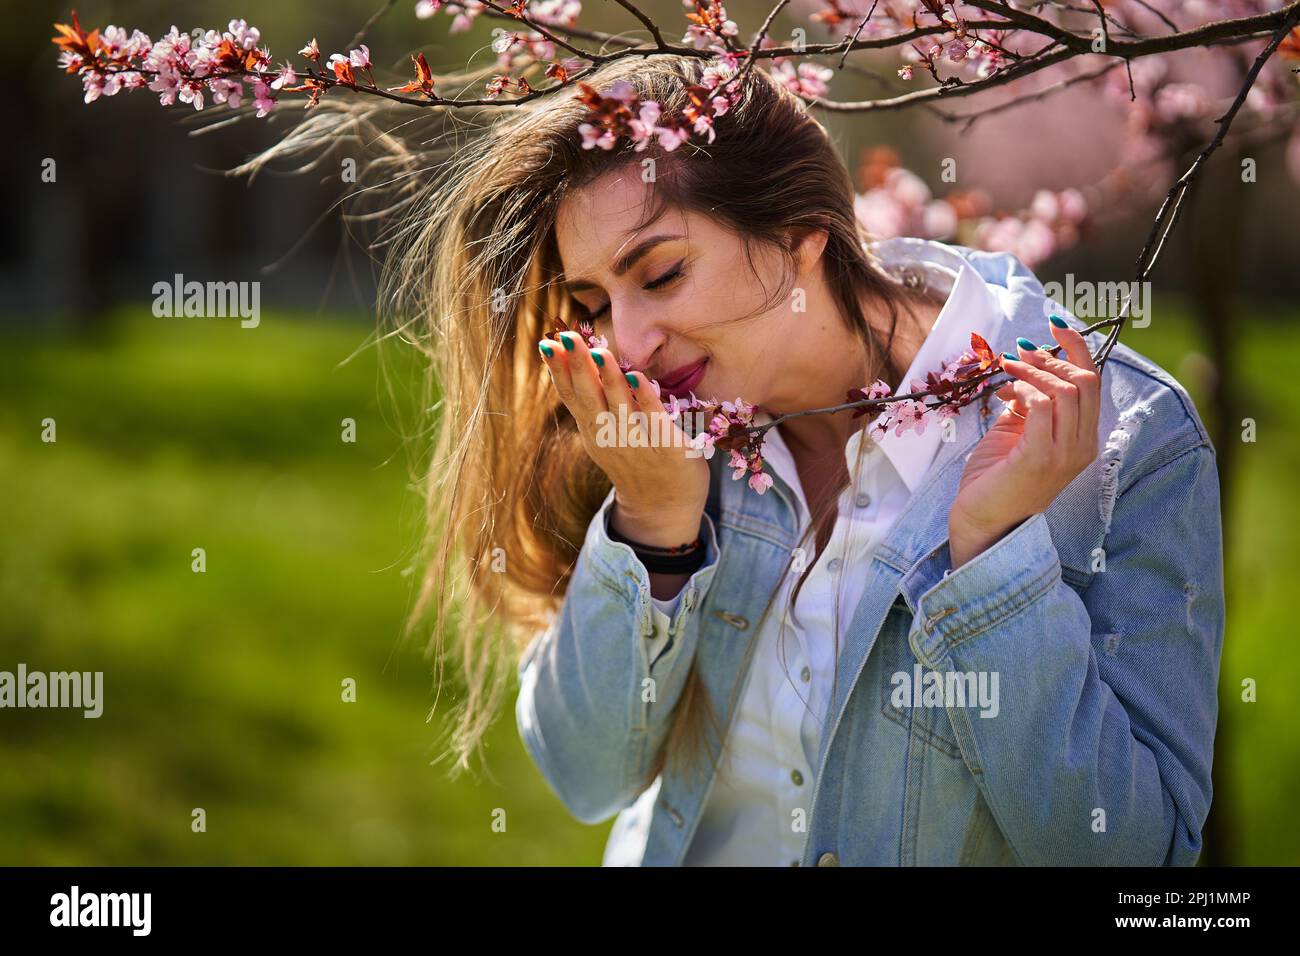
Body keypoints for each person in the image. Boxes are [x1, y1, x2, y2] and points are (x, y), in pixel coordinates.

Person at [303, 53, 1223, 865]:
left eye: (660, 274)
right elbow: (585, 777)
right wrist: (655, 529)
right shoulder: (658, 431)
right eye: (590, 302)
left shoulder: (1124, 442)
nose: (626, 341)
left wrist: (989, 560)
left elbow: (1129, 853)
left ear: (800, 227)